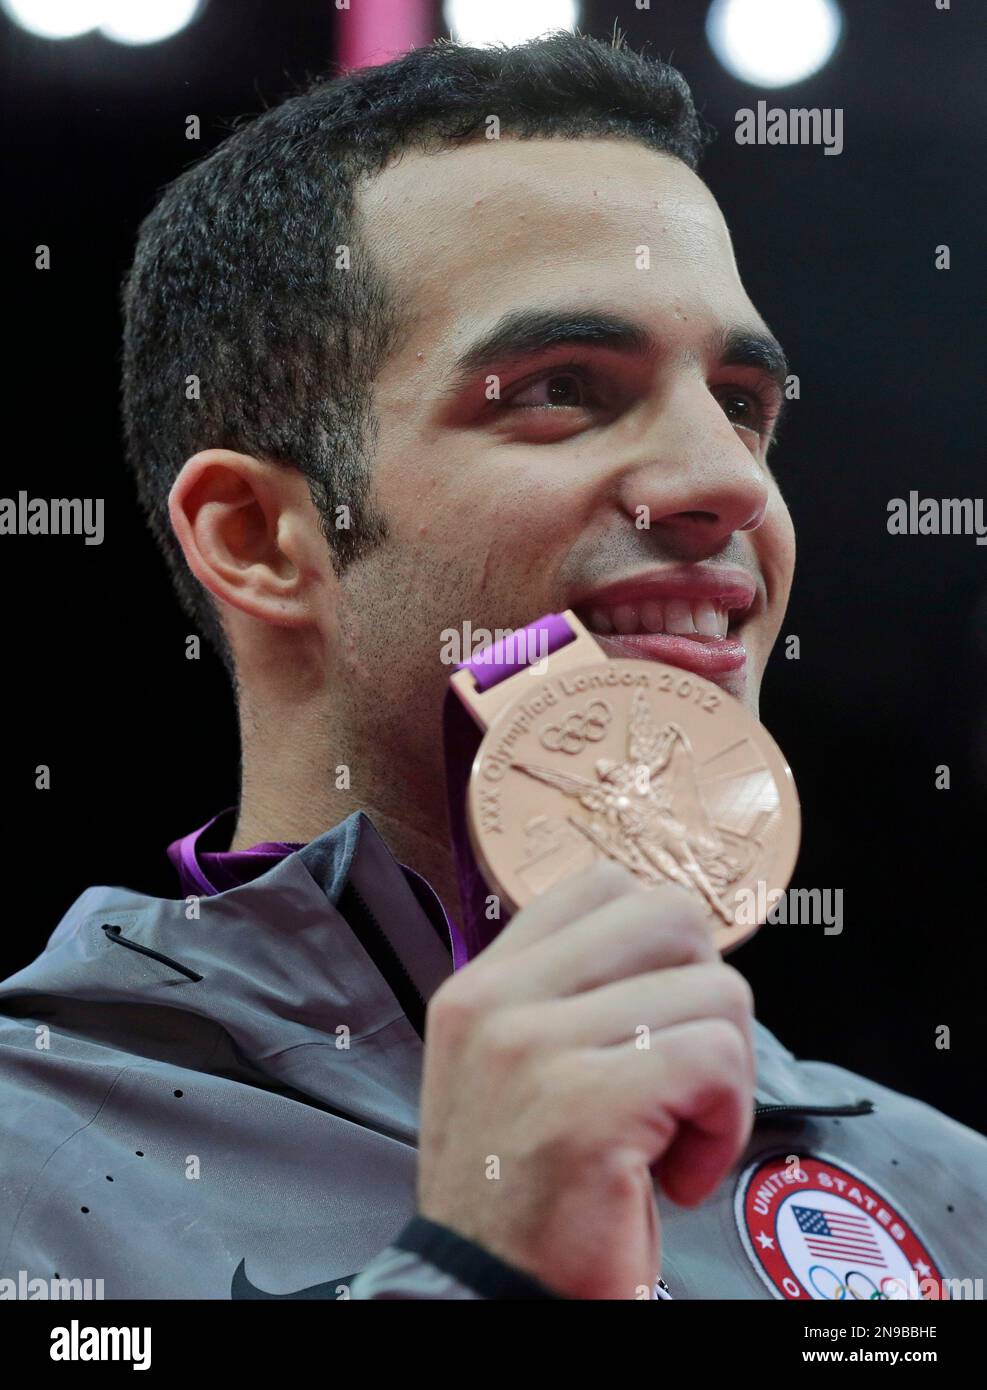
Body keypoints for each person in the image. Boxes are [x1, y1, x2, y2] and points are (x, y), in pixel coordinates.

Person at [1, 33, 984, 1302]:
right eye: (563, 387)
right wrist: (477, 1276)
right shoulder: (34, 1152)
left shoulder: (941, 1192)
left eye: (742, 401)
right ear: (259, 538)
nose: (733, 481)